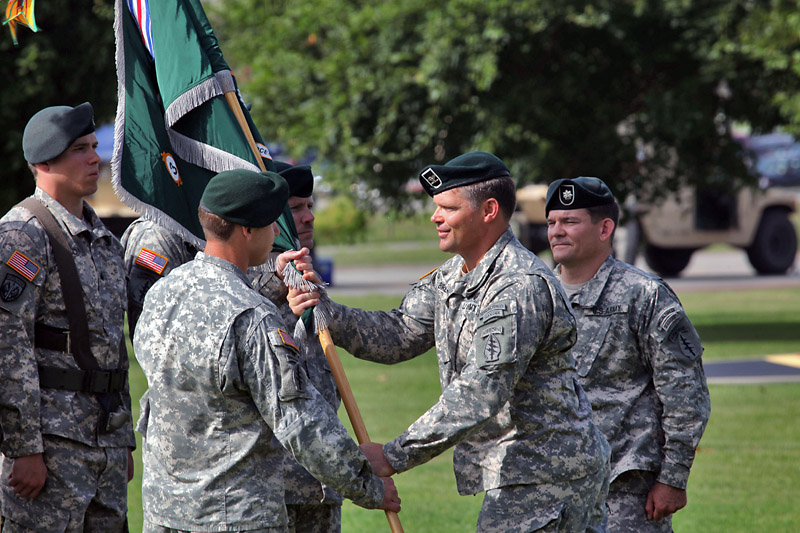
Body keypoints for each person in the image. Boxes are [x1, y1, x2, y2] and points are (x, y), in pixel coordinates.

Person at [291, 152, 611, 532]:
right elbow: (399, 333)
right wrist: (324, 309)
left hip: (551, 473)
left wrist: (394, 455)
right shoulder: (451, 276)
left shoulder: (518, 286)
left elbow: (481, 391)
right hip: (523, 471)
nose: (435, 217)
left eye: (448, 208)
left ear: (489, 210)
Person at [133, 168, 400, 532]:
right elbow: (301, 423)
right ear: (247, 230)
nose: (277, 232)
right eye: (272, 223)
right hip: (235, 514)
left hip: (167, 512)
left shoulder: (163, 294)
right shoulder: (252, 316)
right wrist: (368, 485)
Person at [544, 177, 711, 532]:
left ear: (605, 228)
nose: (556, 231)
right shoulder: (537, 294)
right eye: (551, 222)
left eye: (570, 221)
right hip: (548, 490)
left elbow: (685, 393)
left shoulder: (643, 295)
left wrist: (673, 477)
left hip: (623, 491)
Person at [0, 103, 135, 531]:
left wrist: (123, 439)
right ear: (44, 162)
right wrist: (23, 448)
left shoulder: (103, 239)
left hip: (105, 441)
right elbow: (8, 346)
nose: (95, 158)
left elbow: (112, 346)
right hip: (52, 446)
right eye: (80, 149)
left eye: (94, 146)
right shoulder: (23, 234)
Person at [249, 164, 345, 533]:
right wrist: (279, 275)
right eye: (295, 208)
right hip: (271, 481)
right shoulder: (245, 276)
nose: (309, 217)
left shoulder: (308, 272)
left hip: (320, 474)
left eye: (309, 206)